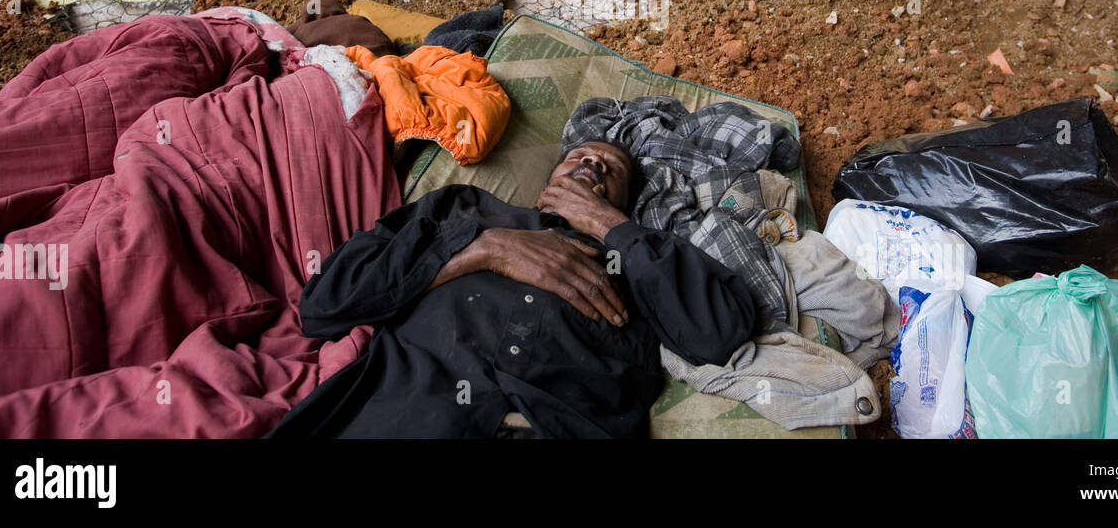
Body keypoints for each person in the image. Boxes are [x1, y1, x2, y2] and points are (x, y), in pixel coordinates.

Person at [268, 139, 756, 438]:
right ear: (548, 179)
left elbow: (718, 335)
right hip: (405, 412)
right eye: (579, 156)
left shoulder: (639, 258)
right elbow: (324, 307)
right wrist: (484, 249)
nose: (594, 163)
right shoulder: (465, 210)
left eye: (613, 170)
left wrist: (607, 223)